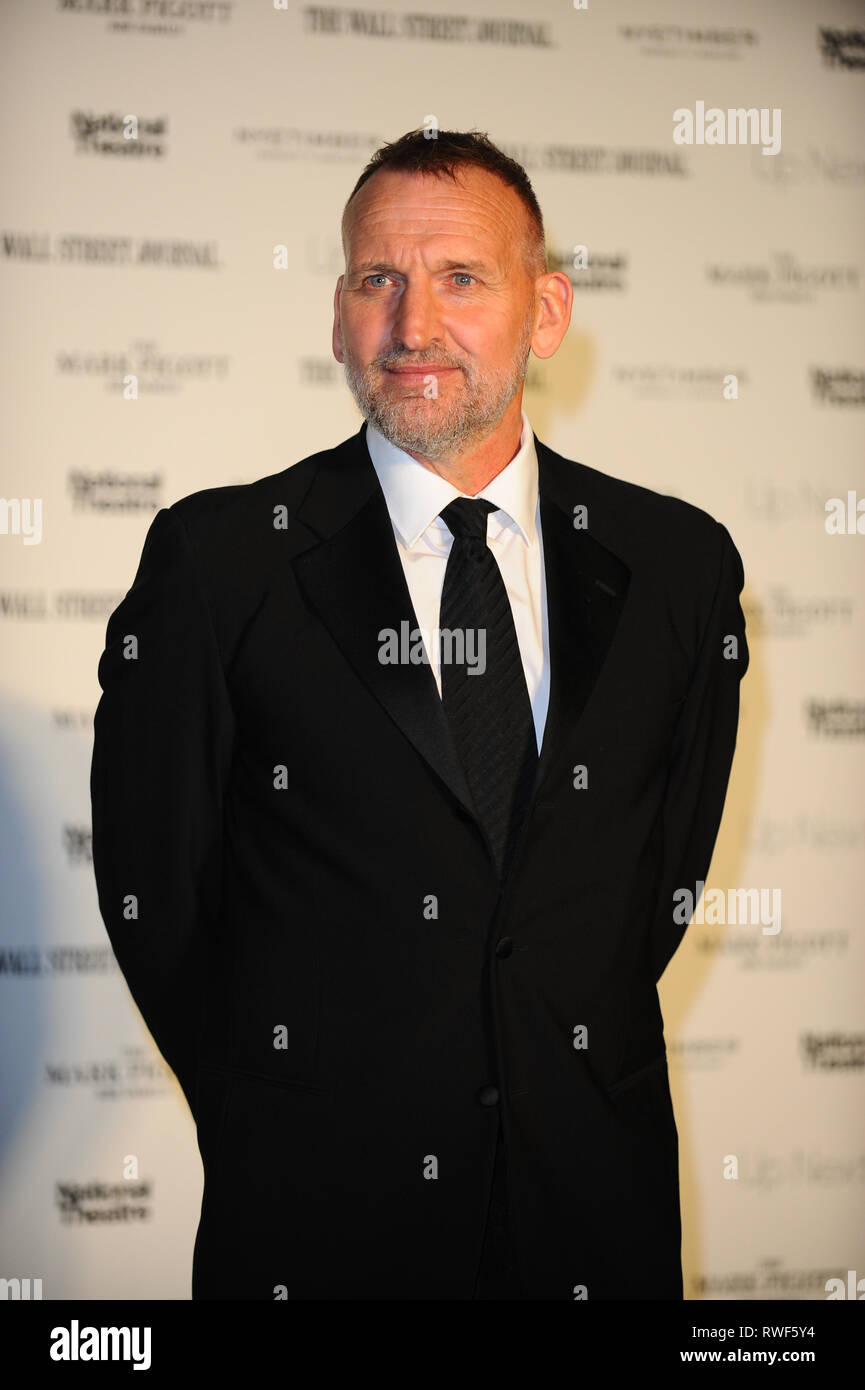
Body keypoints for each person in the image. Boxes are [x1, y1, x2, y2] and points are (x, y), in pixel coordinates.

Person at [90, 128, 748, 1300]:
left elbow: (649, 885)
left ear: (545, 312)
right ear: (338, 313)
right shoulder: (220, 561)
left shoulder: (677, 568)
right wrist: (280, 1110)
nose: (412, 326)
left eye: (460, 278)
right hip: (315, 1228)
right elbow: (162, 902)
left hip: (595, 1217)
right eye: (376, 279)